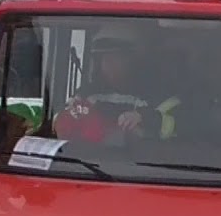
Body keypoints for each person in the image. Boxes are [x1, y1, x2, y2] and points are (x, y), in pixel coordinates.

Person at [54, 30, 182, 142]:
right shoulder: (87, 94)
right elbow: (60, 126)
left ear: (135, 59)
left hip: (140, 166)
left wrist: (145, 119)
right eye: (104, 58)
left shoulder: (160, 97)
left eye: (116, 57)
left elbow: (181, 131)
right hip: (87, 164)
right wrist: (69, 118)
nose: (109, 64)